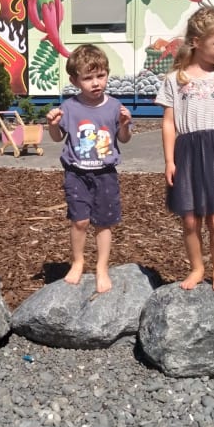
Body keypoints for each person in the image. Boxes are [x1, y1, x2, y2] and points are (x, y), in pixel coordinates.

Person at [156, 7, 214, 291]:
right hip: (186, 153)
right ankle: (197, 268)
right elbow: (169, 123)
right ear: (196, 41)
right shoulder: (176, 79)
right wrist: (169, 160)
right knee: (189, 218)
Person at [45, 44, 133, 294]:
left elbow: (123, 139)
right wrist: (52, 124)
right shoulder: (70, 107)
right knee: (80, 221)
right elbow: (56, 137)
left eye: (101, 76)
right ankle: (78, 261)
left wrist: (125, 124)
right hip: (76, 173)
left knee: (103, 223)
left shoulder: (115, 106)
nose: (96, 83)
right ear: (75, 80)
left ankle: (102, 267)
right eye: (88, 78)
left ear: (107, 74)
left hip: (105, 174)